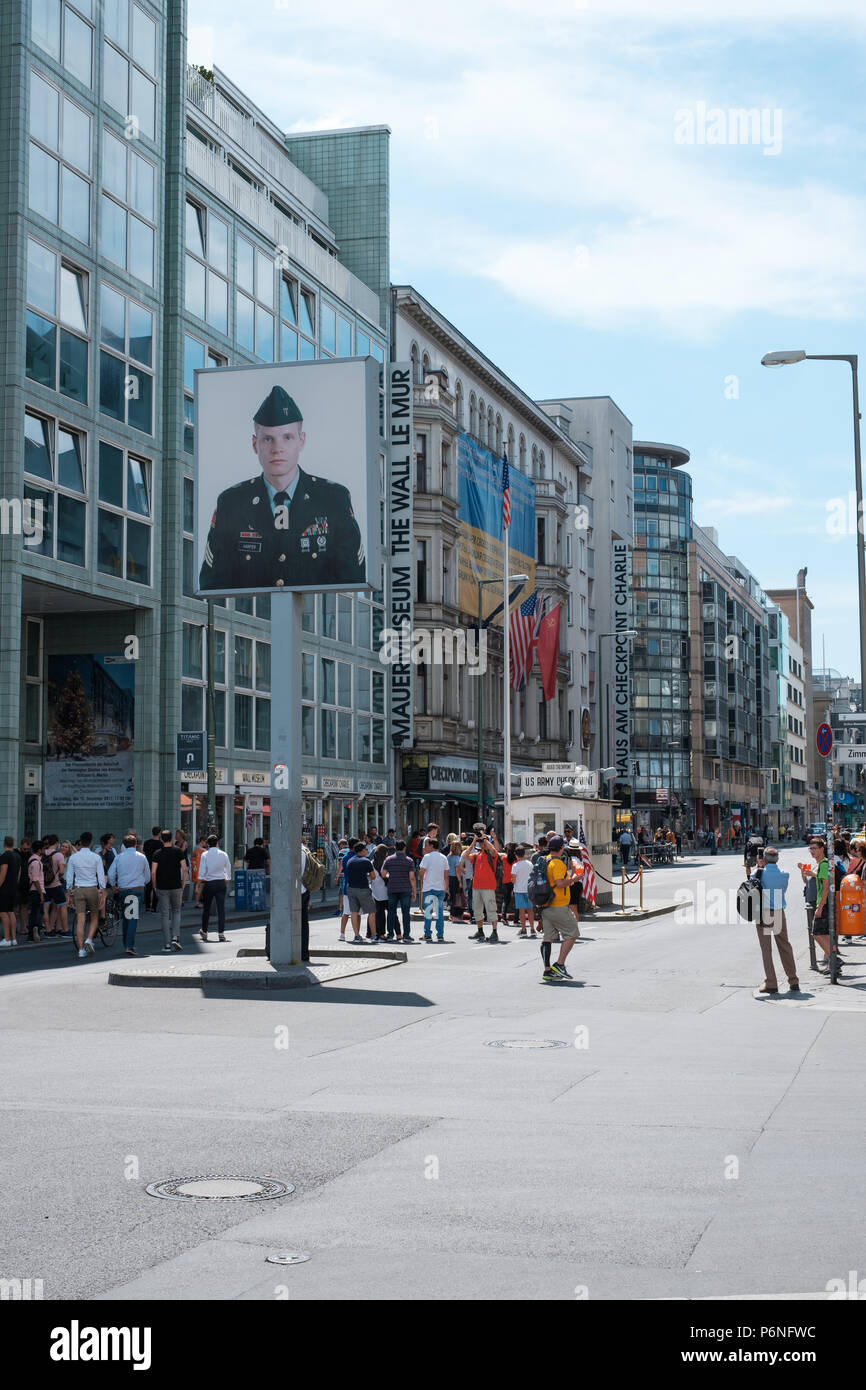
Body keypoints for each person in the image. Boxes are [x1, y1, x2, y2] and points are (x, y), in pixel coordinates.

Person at [198, 384, 365, 591]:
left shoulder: (333, 500)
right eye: (268, 439)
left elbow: (353, 582)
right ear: (254, 444)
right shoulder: (232, 504)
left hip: (313, 621)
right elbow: (212, 585)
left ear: (301, 441)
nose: (277, 449)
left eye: (287, 437)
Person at [750, 847, 799, 996]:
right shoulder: (785, 874)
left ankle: (771, 983)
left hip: (763, 912)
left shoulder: (757, 873)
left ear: (763, 858)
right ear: (777, 859)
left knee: (766, 949)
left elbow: (752, 886)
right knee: (784, 945)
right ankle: (793, 980)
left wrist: (759, 866)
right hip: (778, 912)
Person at [539, 835, 581, 982]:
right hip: (558, 904)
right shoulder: (557, 863)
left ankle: (547, 970)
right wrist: (574, 879)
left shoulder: (545, 860)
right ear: (562, 848)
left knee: (547, 938)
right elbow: (560, 883)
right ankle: (560, 964)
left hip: (545, 904)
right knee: (573, 933)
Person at [108, 834, 150, 955]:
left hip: (123, 889)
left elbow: (111, 873)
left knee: (127, 917)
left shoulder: (119, 857)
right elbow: (147, 875)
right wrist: (144, 883)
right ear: (136, 844)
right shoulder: (141, 857)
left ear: (124, 845)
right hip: (136, 889)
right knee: (132, 918)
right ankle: (129, 945)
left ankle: (126, 943)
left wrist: (114, 885)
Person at [66, 832, 106, 958]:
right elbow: (100, 875)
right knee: (94, 916)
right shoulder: (96, 857)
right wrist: (103, 891)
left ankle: (81, 950)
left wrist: (68, 892)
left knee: (80, 920)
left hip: (78, 889)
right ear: (91, 842)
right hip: (92, 888)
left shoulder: (73, 857)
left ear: (80, 842)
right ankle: (89, 939)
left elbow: (69, 876)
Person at [809, 837, 844, 975]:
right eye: (810, 849)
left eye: (815, 849)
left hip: (824, 904)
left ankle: (835, 959)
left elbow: (825, 887)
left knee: (816, 934)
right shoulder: (823, 863)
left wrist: (820, 907)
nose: (812, 851)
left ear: (822, 849)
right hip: (826, 904)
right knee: (826, 935)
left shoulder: (823, 864)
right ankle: (835, 963)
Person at [462, 830, 502, 942]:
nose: (481, 844)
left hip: (488, 886)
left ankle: (494, 932)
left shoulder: (492, 856)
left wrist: (485, 839)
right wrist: (474, 841)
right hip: (476, 886)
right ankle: (480, 931)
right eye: (480, 843)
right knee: (477, 910)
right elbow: (465, 855)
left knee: (491, 909)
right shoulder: (476, 855)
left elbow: (494, 850)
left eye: (482, 842)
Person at [151, 829, 187, 953]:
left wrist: (155, 886)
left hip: (162, 887)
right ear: (171, 839)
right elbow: (185, 869)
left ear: (161, 839)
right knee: (177, 911)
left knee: (165, 915)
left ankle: (166, 944)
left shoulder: (157, 853)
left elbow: (153, 872)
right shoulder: (178, 852)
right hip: (176, 886)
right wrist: (183, 884)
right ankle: (175, 938)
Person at [195, 834, 231, 941]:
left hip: (209, 883)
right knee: (221, 909)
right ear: (217, 843)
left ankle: (205, 931)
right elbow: (228, 870)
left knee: (206, 908)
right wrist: (226, 880)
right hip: (220, 882)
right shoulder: (224, 854)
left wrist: (198, 885)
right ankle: (221, 933)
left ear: (208, 844)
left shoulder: (205, 855)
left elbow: (201, 872)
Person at [382, 839, 416, 942]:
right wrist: (414, 891)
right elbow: (412, 878)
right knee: (406, 913)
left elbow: (383, 874)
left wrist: (391, 876)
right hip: (405, 889)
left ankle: (390, 934)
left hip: (392, 888)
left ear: (395, 848)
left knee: (391, 912)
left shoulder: (388, 859)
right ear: (405, 848)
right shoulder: (409, 860)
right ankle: (406, 935)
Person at [343, 841, 376, 943]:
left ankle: (356, 935)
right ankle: (374, 935)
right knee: (371, 911)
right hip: (363, 888)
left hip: (351, 888)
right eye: (365, 849)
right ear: (361, 851)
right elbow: (373, 876)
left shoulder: (350, 861)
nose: (366, 851)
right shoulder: (365, 861)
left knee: (354, 912)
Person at [419, 837, 449, 942]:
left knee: (428, 912)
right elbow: (446, 875)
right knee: (439, 912)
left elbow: (421, 872)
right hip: (440, 888)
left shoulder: (427, 857)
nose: (426, 847)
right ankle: (440, 935)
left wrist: (422, 882)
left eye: (427, 845)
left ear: (432, 846)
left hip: (429, 888)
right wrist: (446, 888)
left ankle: (428, 934)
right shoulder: (443, 858)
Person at [41, 835, 68, 936]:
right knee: (63, 905)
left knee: (46, 908)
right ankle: (65, 930)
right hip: (55, 885)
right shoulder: (59, 855)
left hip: (44, 885)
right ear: (56, 843)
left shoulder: (43, 853)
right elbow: (61, 871)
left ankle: (48, 930)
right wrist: (58, 876)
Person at [0, 836, 19, 948]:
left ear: (4, 844)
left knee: (3, 913)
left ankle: (6, 938)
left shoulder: (4, 856)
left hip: (4, 889)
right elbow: (19, 873)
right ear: (13, 843)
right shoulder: (16, 856)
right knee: (11, 912)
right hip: (13, 888)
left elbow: (3, 873)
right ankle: (13, 939)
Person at [512, 845, 534, 936]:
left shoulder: (515, 865)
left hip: (519, 890)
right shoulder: (530, 864)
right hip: (529, 889)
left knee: (521, 911)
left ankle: (524, 929)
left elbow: (513, 879)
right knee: (530, 910)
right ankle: (532, 929)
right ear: (524, 854)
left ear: (516, 855)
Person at [370, 843, 390, 941]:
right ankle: (385, 933)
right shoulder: (386, 862)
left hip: (375, 891)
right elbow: (386, 875)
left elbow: (370, 877)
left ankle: (373, 933)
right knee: (390, 913)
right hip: (386, 891)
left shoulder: (371, 862)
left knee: (376, 914)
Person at [142, 826, 162, 913]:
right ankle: (154, 907)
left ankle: (147, 906)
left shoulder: (146, 843)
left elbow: (144, 854)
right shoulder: (161, 844)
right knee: (155, 887)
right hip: (157, 867)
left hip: (148, 866)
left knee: (148, 887)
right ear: (159, 833)